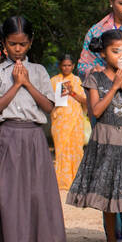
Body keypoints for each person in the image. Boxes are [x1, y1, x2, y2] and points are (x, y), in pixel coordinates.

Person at [0, 16, 67, 242]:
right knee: (12, 192)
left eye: (22, 44)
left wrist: (27, 83)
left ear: (30, 43)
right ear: (4, 44)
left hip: (33, 135)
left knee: (36, 191)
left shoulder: (40, 71)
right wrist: (15, 84)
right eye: (12, 44)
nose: (17, 49)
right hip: (8, 134)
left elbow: (48, 106)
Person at [66, 29, 122, 242]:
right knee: (107, 193)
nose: (121, 55)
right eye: (115, 51)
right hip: (105, 141)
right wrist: (114, 87)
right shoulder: (95, 79)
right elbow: (96, 111)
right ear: (103, 53)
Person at [49, 54, 90, 190]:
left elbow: (86, 101)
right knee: (60, 149)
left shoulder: (77, 80)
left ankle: (76, 181)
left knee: (76, 149)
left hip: (75, 121)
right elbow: (48, 100)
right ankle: (61, 181)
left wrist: (72, 92)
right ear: (60, 66)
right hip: (59, 121)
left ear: (73, 66)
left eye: (69, 65)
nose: (66, 68)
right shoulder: (54, 81)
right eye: (64, 65)